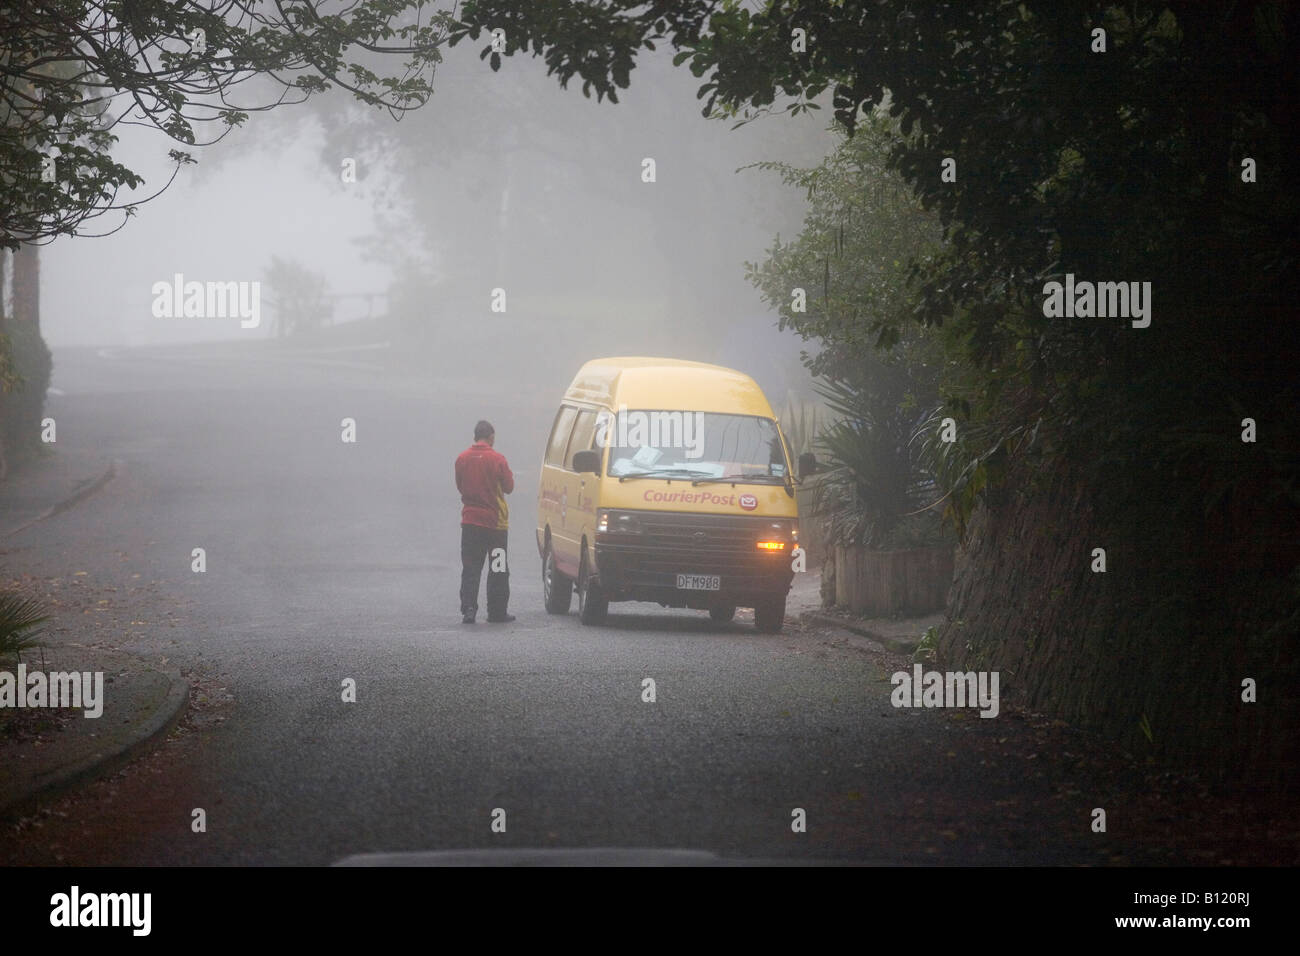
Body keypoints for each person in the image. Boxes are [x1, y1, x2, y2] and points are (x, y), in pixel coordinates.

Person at [455, 420, 515, 623]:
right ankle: (497, 611)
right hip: (496, 527)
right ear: (490, 437)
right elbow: (509, 487)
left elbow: (460, 486)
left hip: (470, 523)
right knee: (498, 567)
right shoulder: (497, 459)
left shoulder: (462, 459)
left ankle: (469, 609)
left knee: (471, 567)